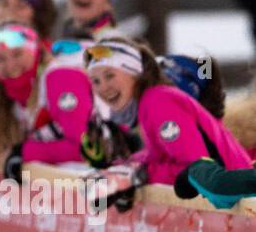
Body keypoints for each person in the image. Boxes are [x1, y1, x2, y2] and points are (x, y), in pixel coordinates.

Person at [81, 37, 250, 185]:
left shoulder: (158, 101)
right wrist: (123, 169)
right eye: (95, 81)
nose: (103, 87)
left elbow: (196, 169)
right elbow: (160, 158)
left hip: (234, 206)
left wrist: (138, 175)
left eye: (110, 75)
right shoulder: (148, 107)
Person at [0, 23, 94, 182]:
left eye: (17, 54)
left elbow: (85, 148)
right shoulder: (10, 98)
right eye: (0, 59)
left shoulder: (59, 77)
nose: (10, 65)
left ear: (34, 51)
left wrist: (23, 152)